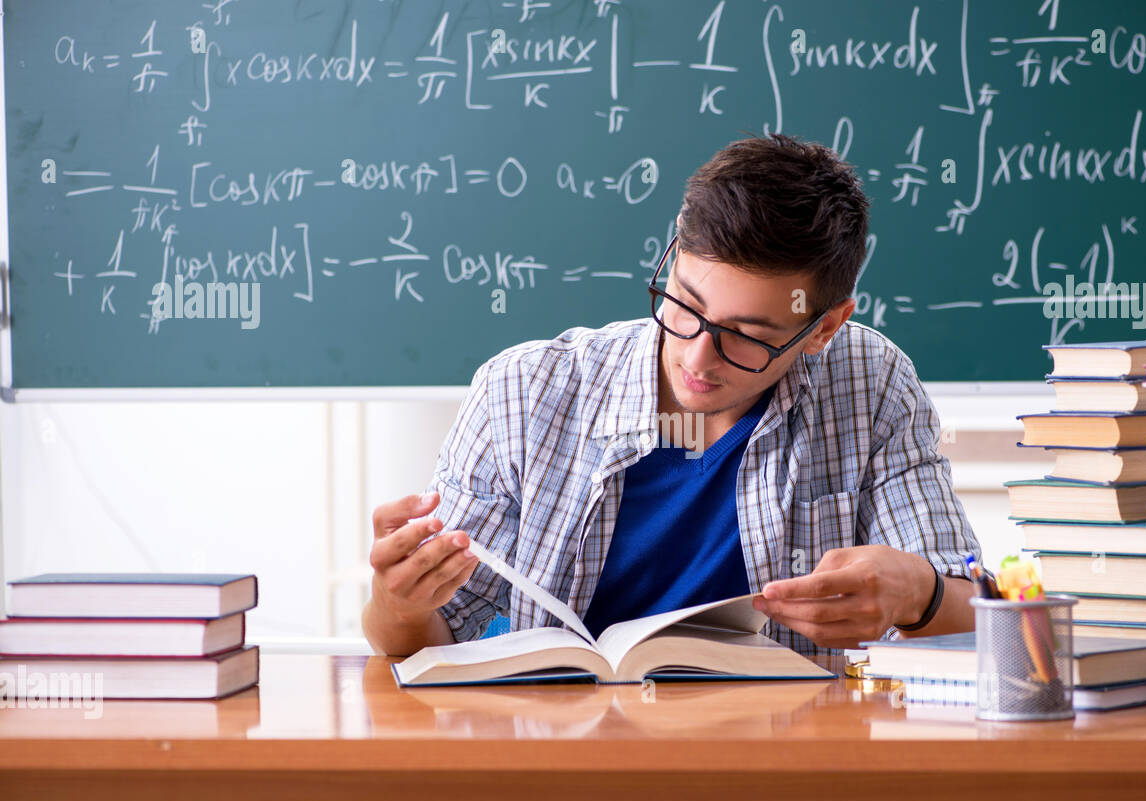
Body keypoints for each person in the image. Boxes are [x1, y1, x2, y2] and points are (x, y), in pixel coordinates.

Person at [363, 133, 984, 659]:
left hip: (790, 769)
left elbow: (975, 623)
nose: (696, 357)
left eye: (747, 337)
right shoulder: (523, 393)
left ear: (823, 327)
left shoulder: (869, 383)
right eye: (685, 304)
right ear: (673, 257)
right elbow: (425, 642)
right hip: (566, 769)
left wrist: (919, 594)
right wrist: (397, 599)